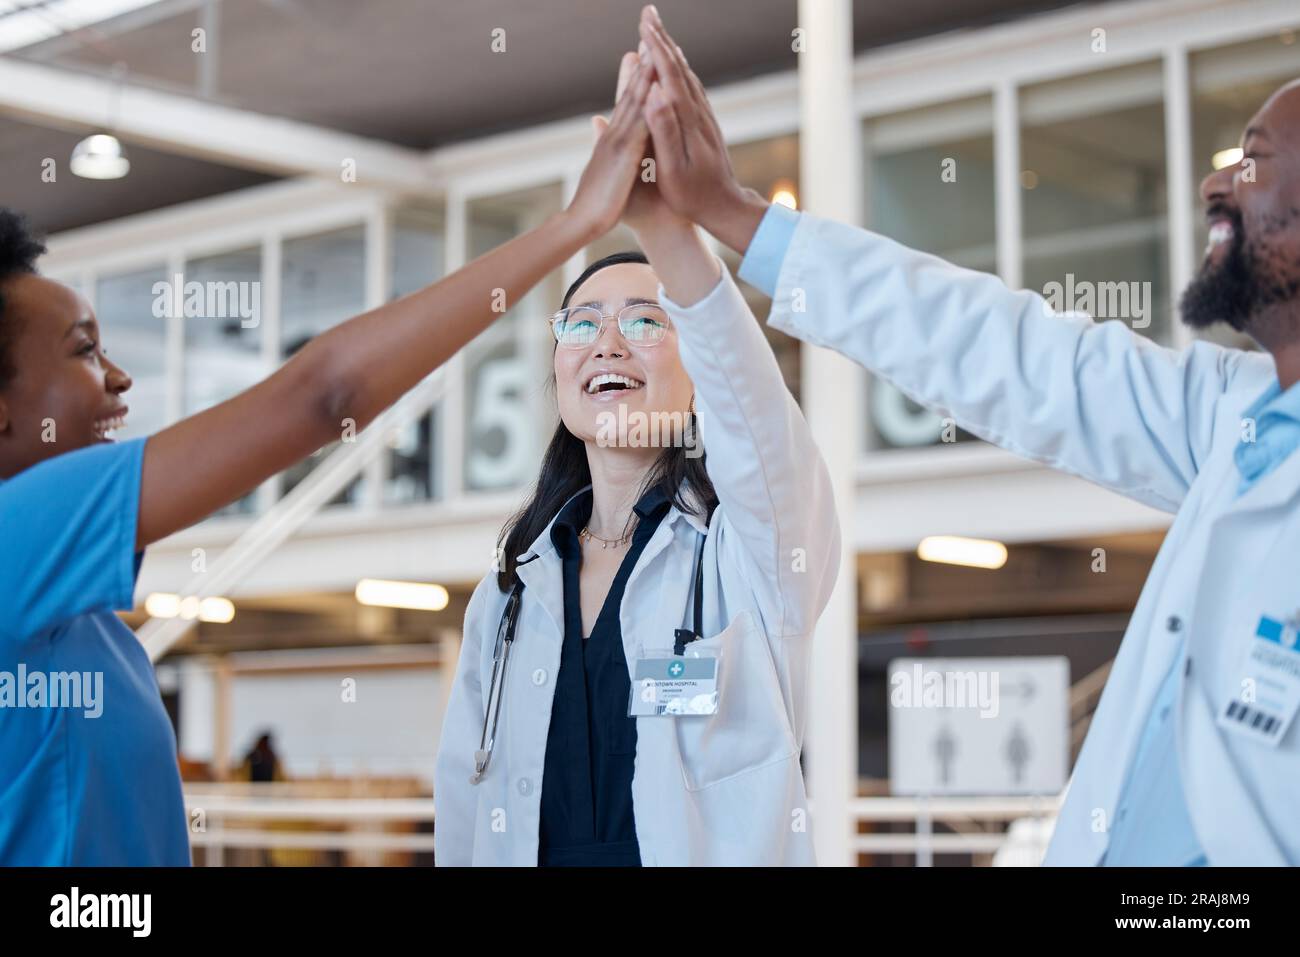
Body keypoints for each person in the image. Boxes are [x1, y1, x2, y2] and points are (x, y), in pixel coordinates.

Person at [632, 4, 1300, 865]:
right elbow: (997, 348)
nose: (1217, 183)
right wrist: (736, 215)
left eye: (1255, 162)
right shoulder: (1233, 421)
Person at [0, 56, 658, 866]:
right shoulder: (12, 538)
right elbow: (327, 392)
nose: (120, 376)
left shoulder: (73, 612)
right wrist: (571, 227)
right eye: (83, 350)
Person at [432, 51, 840, 867]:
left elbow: (761, 431)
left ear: (700, 373)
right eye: (580, 325)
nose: (606, 342)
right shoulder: (510, 592)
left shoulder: (747, 563)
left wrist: (664, 224)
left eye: (646, 322)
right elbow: (464, 806)